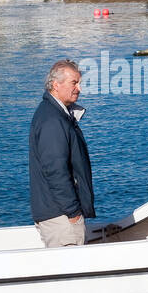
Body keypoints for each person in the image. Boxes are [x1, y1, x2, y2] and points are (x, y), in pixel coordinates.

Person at [29, 60, 95, 247]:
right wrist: (73, 213)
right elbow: (55, 170)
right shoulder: (52, 120)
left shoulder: (56, 114)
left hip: (59, 215)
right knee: (74, 272)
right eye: (74, 83)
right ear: (56, 85)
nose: (79, 88)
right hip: (61, 218)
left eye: (79, 83)